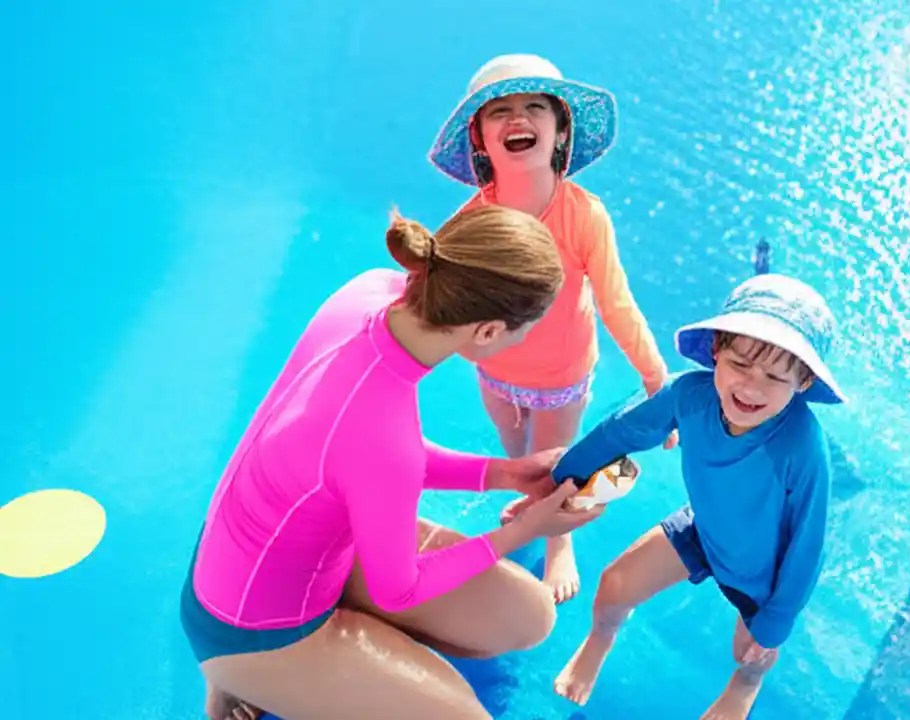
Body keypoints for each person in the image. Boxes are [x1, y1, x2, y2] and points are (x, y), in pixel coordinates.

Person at [180, 205, 605, 720]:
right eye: (527, 329)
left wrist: (502, 473)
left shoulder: (374, 290)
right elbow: (398, 585)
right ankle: (247, 680)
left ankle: (288, 676)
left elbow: (356, 458)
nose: (525, 341)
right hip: (250, 630)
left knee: (526, 615)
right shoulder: (383, 435)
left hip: (260, 555)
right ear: (489, 331)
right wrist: (527, 528)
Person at [428, 53, 670, 604]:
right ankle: (534, 506)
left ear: (561, 131)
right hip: (494, 372)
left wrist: (657, 383)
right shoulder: (470, 224)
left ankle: (559, 543)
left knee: (560, 464)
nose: (518, 119)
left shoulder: (583, 216)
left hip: (561, 374)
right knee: (518, 455)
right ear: (480, 141)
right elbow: (435, 303)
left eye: (535, 107)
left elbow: (617, 304)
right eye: (500, 112)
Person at [546, 274, 844, 720]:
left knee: (752, 650)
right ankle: (600, 640)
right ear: (717, 350)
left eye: (775, 377)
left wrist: (775, 622)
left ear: (801, 384)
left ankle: (744, 687)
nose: (751, 388)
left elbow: (808, 544)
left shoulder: (802, 446)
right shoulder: (690, 395)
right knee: (613, 587)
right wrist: (566, 477)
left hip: (761, 570)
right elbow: (623, 430)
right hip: (704, 526)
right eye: (740, 364)